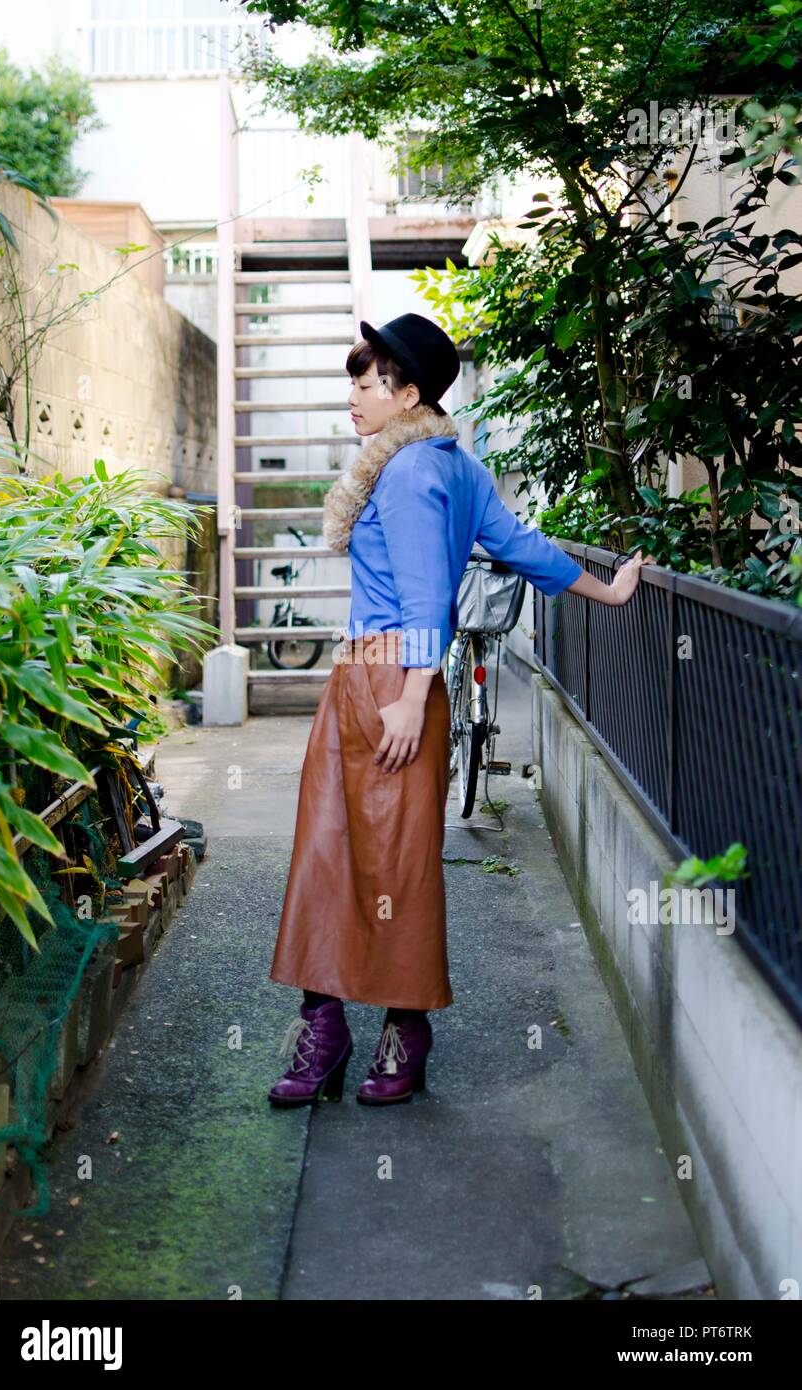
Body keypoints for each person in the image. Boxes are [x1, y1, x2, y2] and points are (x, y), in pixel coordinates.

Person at [267, 312, 650, 1107]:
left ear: (406, 392)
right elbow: (524, 545)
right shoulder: (454, 466)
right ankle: (333, 1027)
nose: (353, 395)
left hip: (386, 684)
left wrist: (409, 693)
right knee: (349, 857)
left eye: (366, 382)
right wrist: (608, 591)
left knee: (371, 863)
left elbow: (425, 594)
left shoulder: (407, 473)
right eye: (354, 379)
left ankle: (390, 1031)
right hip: (371, 683)